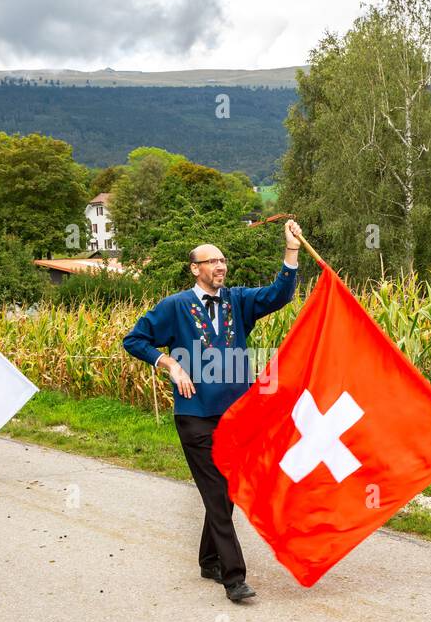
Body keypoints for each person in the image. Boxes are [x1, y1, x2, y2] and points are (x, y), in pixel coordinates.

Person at [123, 220, 302, 602]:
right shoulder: (174, 307)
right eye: (211, 261)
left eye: (223, 261)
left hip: (237, 416)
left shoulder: (238, 301)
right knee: (218, 494)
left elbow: (279, 294)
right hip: (196, 416)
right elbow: (134, 339)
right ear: (195, 268)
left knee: (229, 490)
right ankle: (233, 578)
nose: (220, 267)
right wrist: (169, 363)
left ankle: (208, 559)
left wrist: (291, 250)